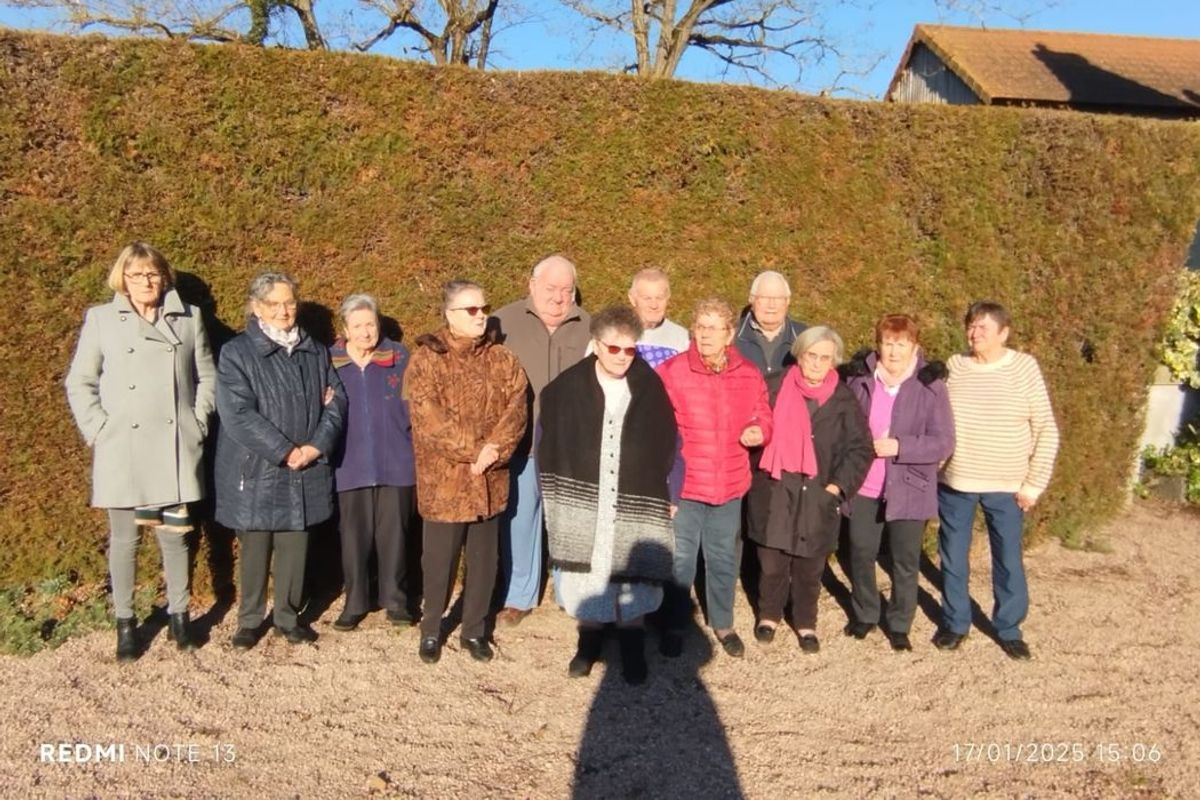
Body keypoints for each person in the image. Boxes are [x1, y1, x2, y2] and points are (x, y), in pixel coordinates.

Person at [65, 242, 215, 661]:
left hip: (174, 444)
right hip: (123, 447)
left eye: (152, 274)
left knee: (176, 537)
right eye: (136, 275)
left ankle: (180, 617)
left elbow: (207, 376)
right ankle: (126, 623)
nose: (145, 282)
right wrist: (98, 428)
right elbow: (80, 382)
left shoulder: (189, 319)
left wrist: (196, 423)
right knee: (125, 540)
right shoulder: (101, 320)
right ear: (122, 279)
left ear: (163, 277)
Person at [539, 306, 678, 685]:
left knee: (632, 571)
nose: (621, 357)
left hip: (634, 496)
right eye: (613, 348)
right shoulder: (565, 390)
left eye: (629, 350)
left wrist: (672, 492)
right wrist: (555, 494)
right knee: (591, 569)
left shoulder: (650, 387)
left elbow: (671, 442)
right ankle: (589, 641)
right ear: (596, 345)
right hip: (588, 499)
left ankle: (633, 642)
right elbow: (548, 444)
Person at [214, 272, 347, 651]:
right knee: (255, 546)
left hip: (306, 465)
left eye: (291, 302)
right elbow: (238, 413)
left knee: (295, 543)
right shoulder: (236, 353)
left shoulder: (314, 350)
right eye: (276, 303)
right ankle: (249, 621)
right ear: (257, 307)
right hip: (259, 467)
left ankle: (288, 617)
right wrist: (285, 450)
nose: (286, 310)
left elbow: (336, 401)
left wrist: (315, 446)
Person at [406, 280, 528, 664]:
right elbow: (429, 421)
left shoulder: (503, 359)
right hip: (445, 484)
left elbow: (517, 409)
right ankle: (431, 630)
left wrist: (493, 452)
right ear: (449, 314)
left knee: (484, 563)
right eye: (470, 310)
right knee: (439, 563)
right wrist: (475, 451)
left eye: (483, 308)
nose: (481, 315)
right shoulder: (426, 359)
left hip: (489, 482)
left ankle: (474, 631)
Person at [935, 301, 1059, 660]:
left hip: (1007, 486)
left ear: (1004, 333)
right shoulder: (956, 366)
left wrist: (1034, 484)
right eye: (971, 327)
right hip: (956, 483)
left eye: (983, 328)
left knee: (1007, 558)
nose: (974, 334)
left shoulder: (1023, 368)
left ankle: (1008, 628)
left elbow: (1046, 428)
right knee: (953, 558)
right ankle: (955, 622)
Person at [657, 298, 773, 658]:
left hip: (730, 484)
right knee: (681, 561)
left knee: (723, 559)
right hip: (687, 485)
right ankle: (674, 625)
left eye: (714, 328)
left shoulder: (748, 373)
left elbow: (763, 414)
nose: (705, 334)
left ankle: (723, 623)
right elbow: (658, 430)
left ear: (729, 334)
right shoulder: (673, 371)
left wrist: (759, 430)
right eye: (700, 326)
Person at [749, 326, 872, 654]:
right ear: (799, 356)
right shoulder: (773, 386)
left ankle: (805, 621)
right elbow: (753, 427)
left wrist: (837, 487)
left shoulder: (843, 398)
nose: (817, 363)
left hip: (818, 489)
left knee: (809, 565)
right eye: (811, 356)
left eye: (825, 358)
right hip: (776, 485)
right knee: (772, 560)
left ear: (834, 362)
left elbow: (861, 448)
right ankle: (769, 615)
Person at [842, 314, 955, 652]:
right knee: (861, 551)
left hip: (910, 487)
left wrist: (900, 445)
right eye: (888, 343)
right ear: (879, 344)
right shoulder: (860, 380)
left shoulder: (930, 386)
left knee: (905, 560)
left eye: (901, 344)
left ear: (914, 347)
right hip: (865, 484)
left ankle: (900, 622)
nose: (893, 351)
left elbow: (944, 442)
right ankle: (865, 613)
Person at [491, 254, 591, 626]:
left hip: (568, 449)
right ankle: (519, 596)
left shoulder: (589, 327)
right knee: (519, 523)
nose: (559, 297)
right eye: (551, 288)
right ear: (531, 285)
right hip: (521, 445)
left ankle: (570, 593)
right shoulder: (502, 322)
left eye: (566, 290)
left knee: (567, 523)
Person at [329, 294, 416, 632]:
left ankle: (396, 602)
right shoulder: (330, 362)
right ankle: (355, 602)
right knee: (353, 538)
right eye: (358, 326)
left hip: (397, 462)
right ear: (344, 329)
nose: (366, 332)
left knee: (395, 537)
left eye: (371, 324)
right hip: (349, 464)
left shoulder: (399, 357)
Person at [734, 270, 807, 393]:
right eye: (764, 297)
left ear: (787, 301)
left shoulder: (804, 337)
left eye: (778, 298)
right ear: (752, 300)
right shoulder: (731, 335)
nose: (771, 305)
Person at [627, 268, 690, 367]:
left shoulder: (682, 338)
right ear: (632, 299)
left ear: (668, 298)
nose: (654, 305)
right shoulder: (616, 333)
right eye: (647, 298)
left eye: (659, 298)